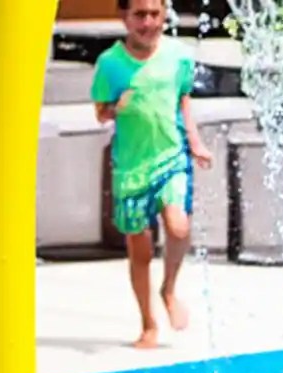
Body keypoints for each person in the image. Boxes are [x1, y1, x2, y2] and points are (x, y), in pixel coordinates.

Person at [90, 0, 212, 349]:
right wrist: (116, 107)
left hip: (171, 157)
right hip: (131, 169)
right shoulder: (111, 64)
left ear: (164, 15)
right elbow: (100, 112)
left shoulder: (178, 56)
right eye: (139, 15)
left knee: (178, 226)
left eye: (155, 14)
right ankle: (148, 324)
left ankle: (169, 289)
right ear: (124, 18)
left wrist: (196, 142)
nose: (148, 22)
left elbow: (183, 98)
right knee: (139, 250)